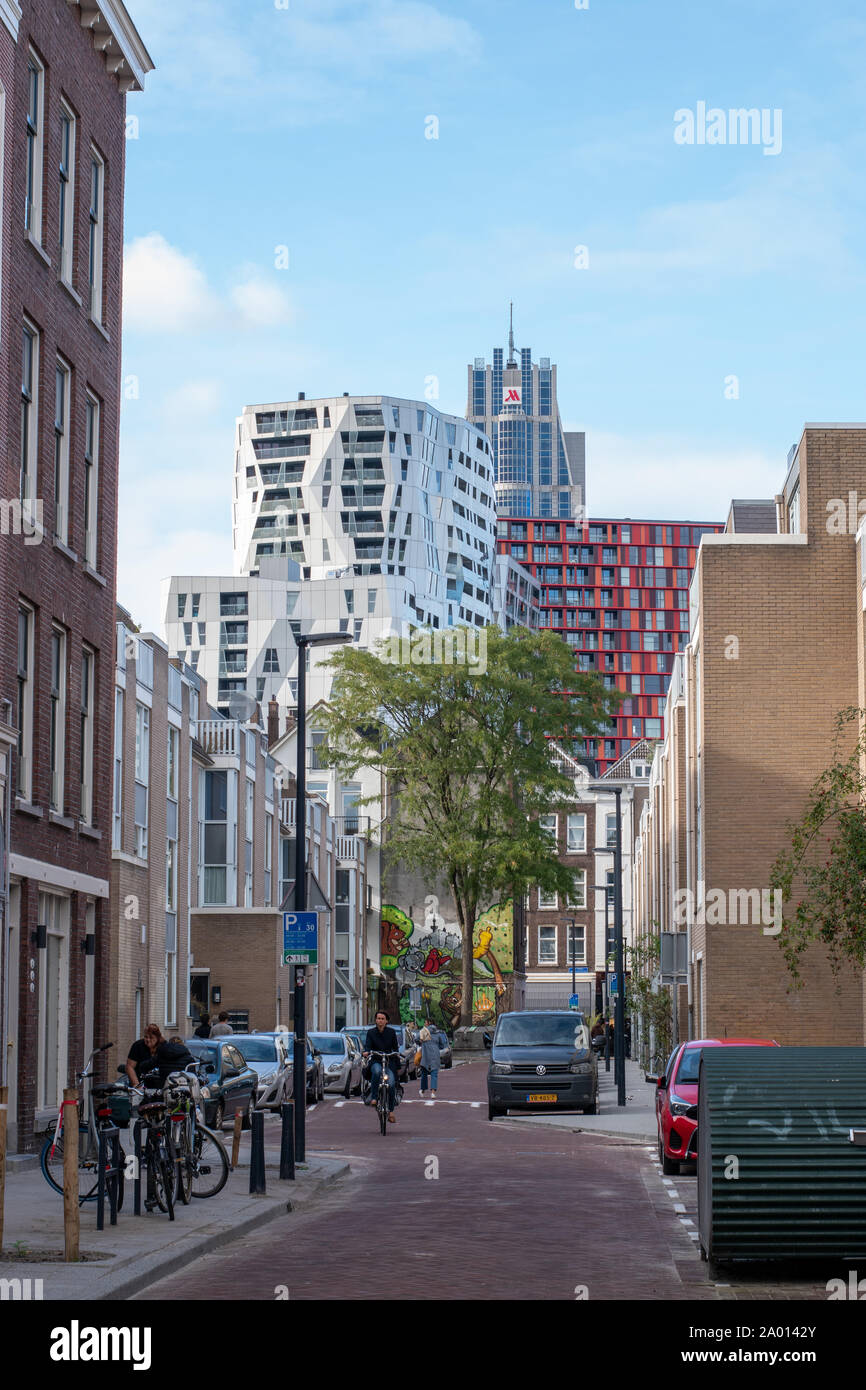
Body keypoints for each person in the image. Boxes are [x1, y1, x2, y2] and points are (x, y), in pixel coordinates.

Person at [362, 1010, 402, 1123]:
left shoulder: (391, 1032)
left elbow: (395, 1049)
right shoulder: (371, 1033)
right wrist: (367, 1052)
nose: (380, 1021)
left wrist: (398, 1063)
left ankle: (391, 1111)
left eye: (382, 1019)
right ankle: (374, 1097)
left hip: (389, 1062)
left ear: (386, 1021)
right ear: (375, 1020)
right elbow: (368, 1046)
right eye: (378, 1018)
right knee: (376, 1071)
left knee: (392, 1083)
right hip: (376, 1060)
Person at [126, 1025, 195, 1086]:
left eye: (151, 1037)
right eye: (146, 1037)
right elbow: (130, 1066)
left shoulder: (164, 1047)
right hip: (140, 1083)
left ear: (158, 1038)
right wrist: (136, 1084)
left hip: (160, 1085)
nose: (148, 1040)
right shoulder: (138, 1046)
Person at [418, 1026, 440, 1099]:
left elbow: (416, 1039)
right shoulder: (438, 1034)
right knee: (434, 1074)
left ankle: (423, 1090)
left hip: (425, 1055)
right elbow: (442, 1045)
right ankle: (433, 1093)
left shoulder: (423, 1031)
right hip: (435, 1056)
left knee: (424, 1073)